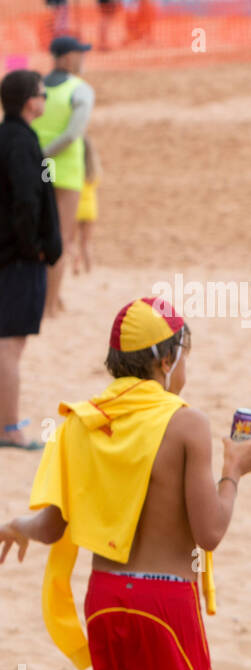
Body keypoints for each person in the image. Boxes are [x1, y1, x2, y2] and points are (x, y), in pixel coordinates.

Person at [0, 296, 251, 670]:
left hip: (103, 602)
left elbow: (52, 523)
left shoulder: (84, 420)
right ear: (164, 359)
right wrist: (233, 472)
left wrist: (18, 525)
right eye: (184, 354)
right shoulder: (186, 421)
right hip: (162, 600)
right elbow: (210, 532)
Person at [0, 69, 61, 452]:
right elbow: (26, 200)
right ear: (29, 100)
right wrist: (33, 248)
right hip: (18, 260)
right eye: (42, 94)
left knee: (7, 344)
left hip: (13, 256)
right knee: (10, 346)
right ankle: (10, 429)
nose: (45, 100)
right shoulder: (19, 142)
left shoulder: (14, 137)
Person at [30, 35, 94, 319]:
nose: (82, 59)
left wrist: (35, 155)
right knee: (60, 239)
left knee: (36, 235)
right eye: (79, 54)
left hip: (37, 167)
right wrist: (45, 153)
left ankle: (45, 295)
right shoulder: (80, 90)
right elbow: (72, 134)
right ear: (67, 57)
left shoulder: (37, 87)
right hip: (65, 168)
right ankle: (50, 304)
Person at [73, 135, 99, 274]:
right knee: (86, 243)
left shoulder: (76, 170)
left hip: (76, 208)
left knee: (73, 241)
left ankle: (76, 266)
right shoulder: (93, 172)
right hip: (90, 209)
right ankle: (89, 269)